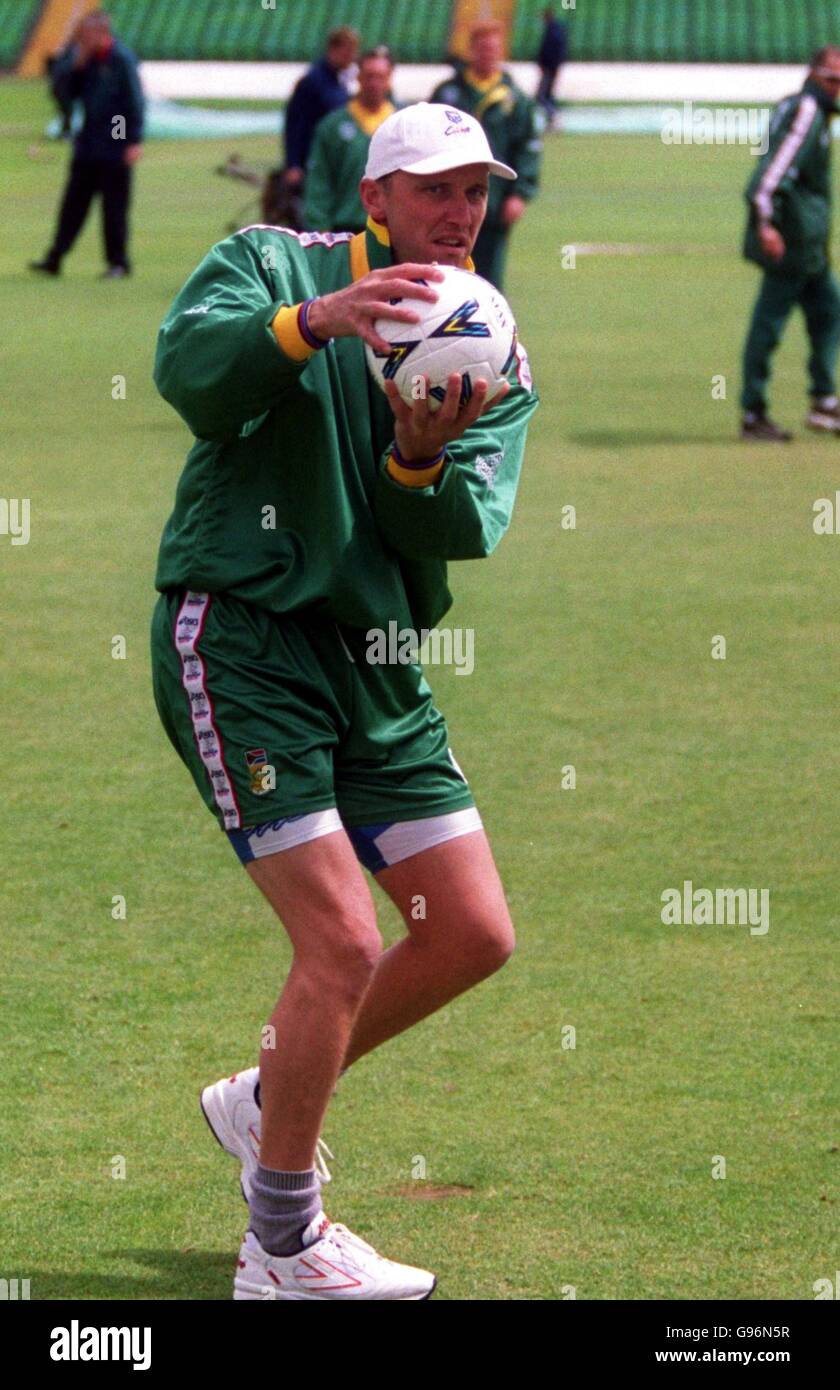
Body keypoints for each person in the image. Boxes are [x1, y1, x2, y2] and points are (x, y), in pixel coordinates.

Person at [150, 101, 538, 1301]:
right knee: (342, 939)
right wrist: (312, 326)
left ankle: (267, 1098)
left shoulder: (490, 343)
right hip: (246, 631)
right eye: (432, 188)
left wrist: (416, 458)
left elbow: (463, 524)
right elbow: (189, 374)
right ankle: (281, 1243)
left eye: (475, 188)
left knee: (472, 929)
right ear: (373, 201)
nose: (460, 210)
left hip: (374, 656)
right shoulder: (273, 261)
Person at [740, 46, 840, 440]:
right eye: (832, 79)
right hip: (791, 241)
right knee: (769, 324)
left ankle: (824, 400)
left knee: (829, 312)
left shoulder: (809, 111)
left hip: (808, 243)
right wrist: (766, 225)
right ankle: (753, 411)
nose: (837, 88)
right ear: (813, 75)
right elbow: (769, 175)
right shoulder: (806, 113)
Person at [29, 11, 144, 279]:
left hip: (114, 137)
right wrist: (75, 68)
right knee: (73, 203)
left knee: (113, 206)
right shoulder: (85, 60)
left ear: (102, 34)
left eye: (87, 36)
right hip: (88, 142)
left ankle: (118, 262)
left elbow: (131, 104)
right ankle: (56, 255)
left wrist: (129, 141)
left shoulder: (121, 60)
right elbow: (63, 95)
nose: (83, 41)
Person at [430, 20, 543, 288]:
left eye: (492, 48)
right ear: (471, 50)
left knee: (489, 272)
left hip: (494, 200)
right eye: (481, 48)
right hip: (445, 196)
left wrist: (520, 194)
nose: (487, 54)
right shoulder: (448, 92)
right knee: (443, 267)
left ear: (501, 52)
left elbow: (528, 147)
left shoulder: (515, 100)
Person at [303, 47, 395, 234]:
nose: (374, 83)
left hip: (391, 227)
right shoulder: (333, 125)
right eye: (369, 76)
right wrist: (319, 224)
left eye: (380, 77)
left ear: (389, 80)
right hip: (344, 226)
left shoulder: (401, 123)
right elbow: (319, 179)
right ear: (358, 78)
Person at [281, 26, 360, 227]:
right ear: (335, 49)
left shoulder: (340, 80)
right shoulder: (313, 81)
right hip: (312, 160)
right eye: (349, 51)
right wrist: (294, 163)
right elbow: (295, 124)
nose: (352, 57)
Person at [536, 7, 568, 120]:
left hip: (549, 67)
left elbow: (551, 50)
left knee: (542, 95)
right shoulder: (555, 29)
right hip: (551, 67)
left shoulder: (553, 30)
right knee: (547, 94)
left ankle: (553, 114)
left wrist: (545, 63)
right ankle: (552, 115)